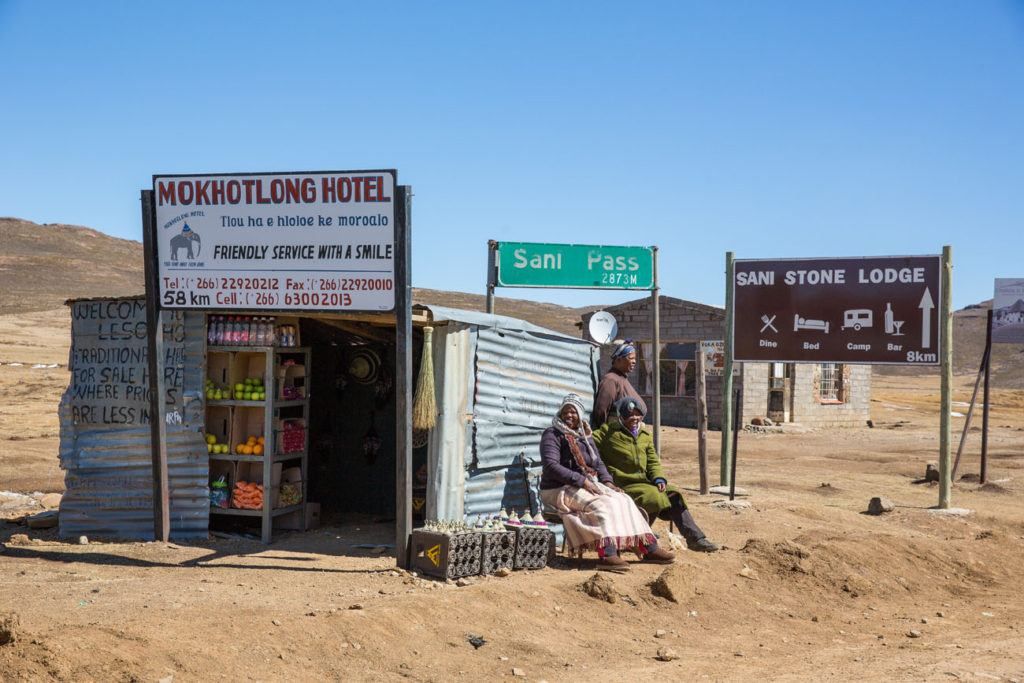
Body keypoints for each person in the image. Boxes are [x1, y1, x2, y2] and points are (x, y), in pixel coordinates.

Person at [540, 393, 676, 572]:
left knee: (623, 499)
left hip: (585, 483)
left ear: (580, 415)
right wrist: (582, 481)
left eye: (573, 412)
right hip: (558, 488)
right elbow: (551, 466)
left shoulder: (585, 434)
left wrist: (608, 482)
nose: (569, 415)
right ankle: (607, 554)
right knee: (601, 505)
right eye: (565, 411)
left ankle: (648, 547)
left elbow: (598, 463)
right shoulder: (552, 434)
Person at [593, 397, 719, 552]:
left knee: (673, 494)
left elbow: (653, 461)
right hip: (623, 484)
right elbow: (587, 442)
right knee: (654, 495)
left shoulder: (644, 435)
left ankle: (696, 538)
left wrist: (658, 478)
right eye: (630, 414)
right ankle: (641, 537)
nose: (635, 418)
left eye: (638, 414)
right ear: (621, 415)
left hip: (644, 483)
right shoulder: (607, 433)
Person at [591, 339, 647, 428]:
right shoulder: (611, 380)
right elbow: (601, 411)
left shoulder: (621, 378)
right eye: (631, 358)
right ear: (618, 360)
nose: (634, 361)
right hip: (617, 435)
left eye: (635, 358)